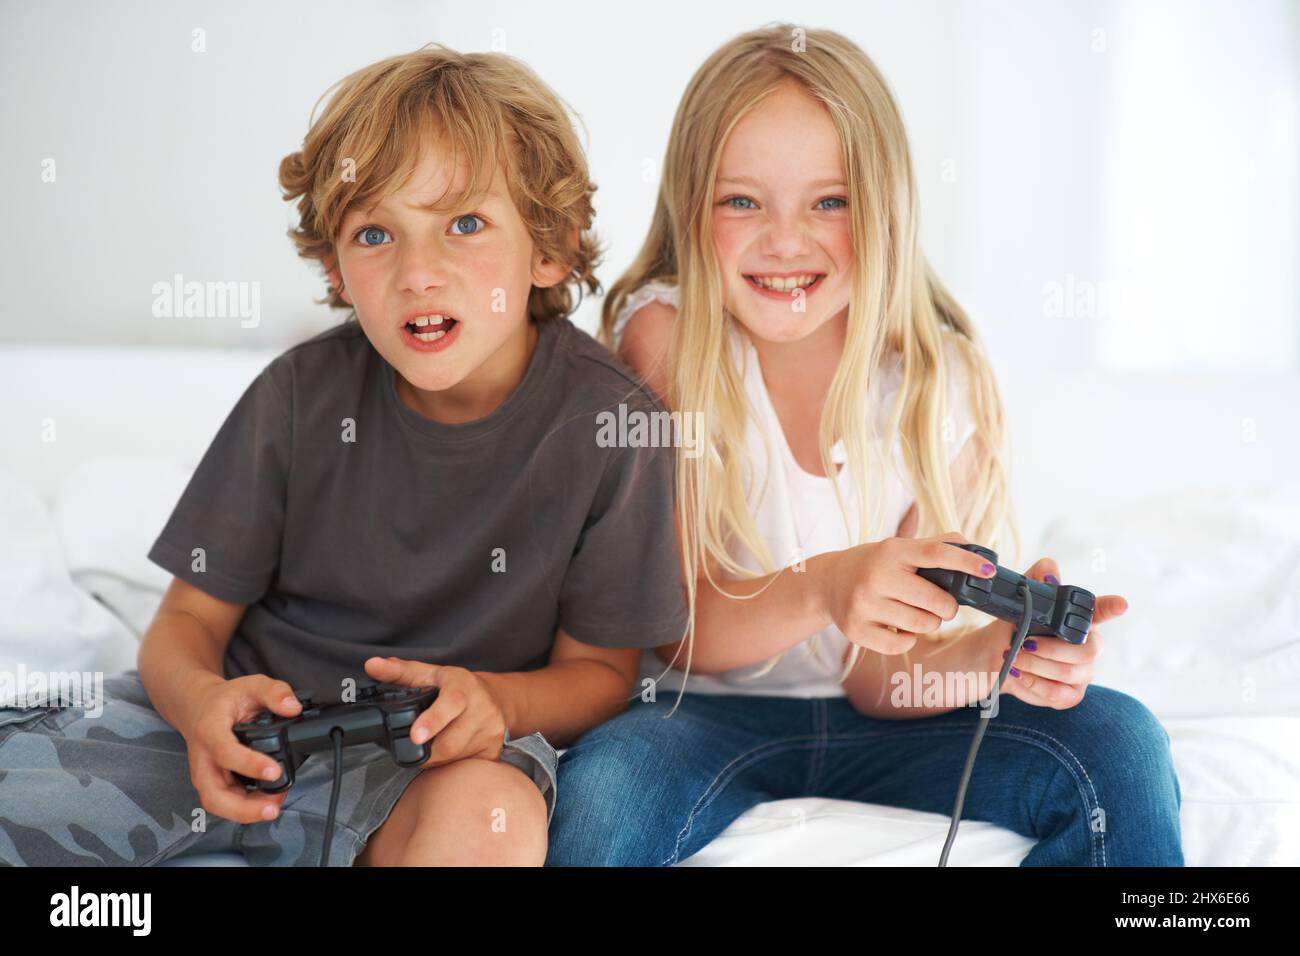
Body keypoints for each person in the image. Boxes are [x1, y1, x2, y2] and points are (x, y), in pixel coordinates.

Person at [0, 44, 687, 867]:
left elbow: (602, 675)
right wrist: (201, 706)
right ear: (334, 267)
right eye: (375, 234)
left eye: (464, 224)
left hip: (431, 763)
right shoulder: (297, 397)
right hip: (241, 741)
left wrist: (495, 701)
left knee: (491, 813)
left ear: (551, 247)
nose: (418, 272)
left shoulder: (613, 423)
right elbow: (183, 622)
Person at [544, 24, 1183, 867]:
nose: (785, 240)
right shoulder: (670, 336)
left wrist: (992, 652)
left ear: (883, 207)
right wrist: (826, 585)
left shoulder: (935, 377)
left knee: (1121, 743)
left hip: (871, 724)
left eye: (830, 201)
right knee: (607, 791)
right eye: (742, 200)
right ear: (690, 205)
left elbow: (880, 682)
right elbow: (677, 631)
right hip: (690, 715)